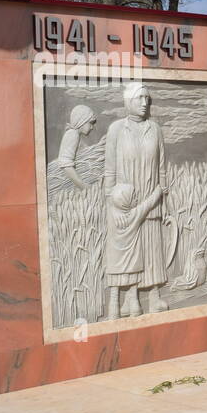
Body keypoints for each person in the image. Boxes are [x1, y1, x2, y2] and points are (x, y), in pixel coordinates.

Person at [103, 81, 169, 319]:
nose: (145, 103)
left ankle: (153, 296)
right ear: (128, 102)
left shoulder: (155, 129)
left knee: (152, 247)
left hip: (151, 197)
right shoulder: (116, 129)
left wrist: (166, 205)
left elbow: (162, 169)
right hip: (126, 201)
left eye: (147, 99)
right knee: (130, 250)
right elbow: (109, 168)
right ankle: (131, 298)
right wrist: (110, 200)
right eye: (139, 98)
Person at [105, 182, 166, 317]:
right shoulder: (135, 214)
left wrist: (116, 208)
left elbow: (109, 199)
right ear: (125, 202)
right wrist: (159, 189)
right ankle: (135, 309)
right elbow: (149, 203)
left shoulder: (111, 215)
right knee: (133, 291)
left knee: (114, 294)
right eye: (134, 197)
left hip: (115, 264)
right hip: (133, 263)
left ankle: (113, 313)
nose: (137, 198)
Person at [57, 104, 96, 189]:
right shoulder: (73, 134)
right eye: (91, 123)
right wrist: (82, 185)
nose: (92, 127)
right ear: (82, 121)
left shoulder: (75, 134)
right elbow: (66, 164)